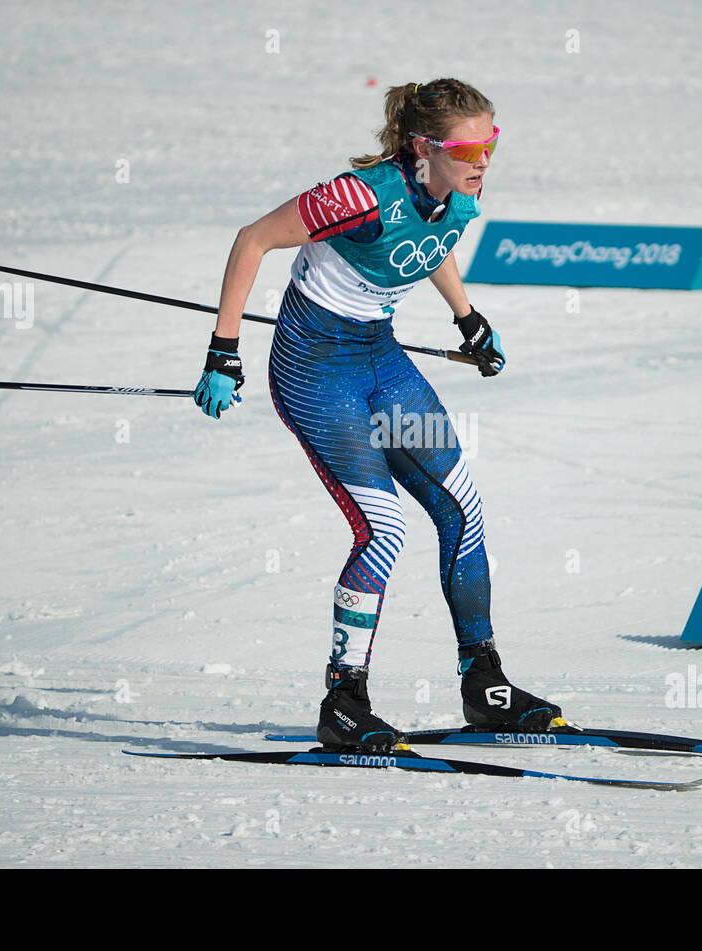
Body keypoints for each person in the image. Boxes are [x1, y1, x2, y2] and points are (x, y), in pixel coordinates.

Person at [194, 78, 563, 753]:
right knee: (383, 526)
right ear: (424, 146)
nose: (484, 159)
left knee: (463, 506)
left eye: (493, 143)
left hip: (380, 359)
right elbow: (253, 241)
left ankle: (485, 685)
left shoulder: (459, 188)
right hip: (316, 370)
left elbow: (430, 241)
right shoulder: (358, 195)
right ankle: (344, 701)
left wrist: (468, 317)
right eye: (470, 147)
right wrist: (223, 351)